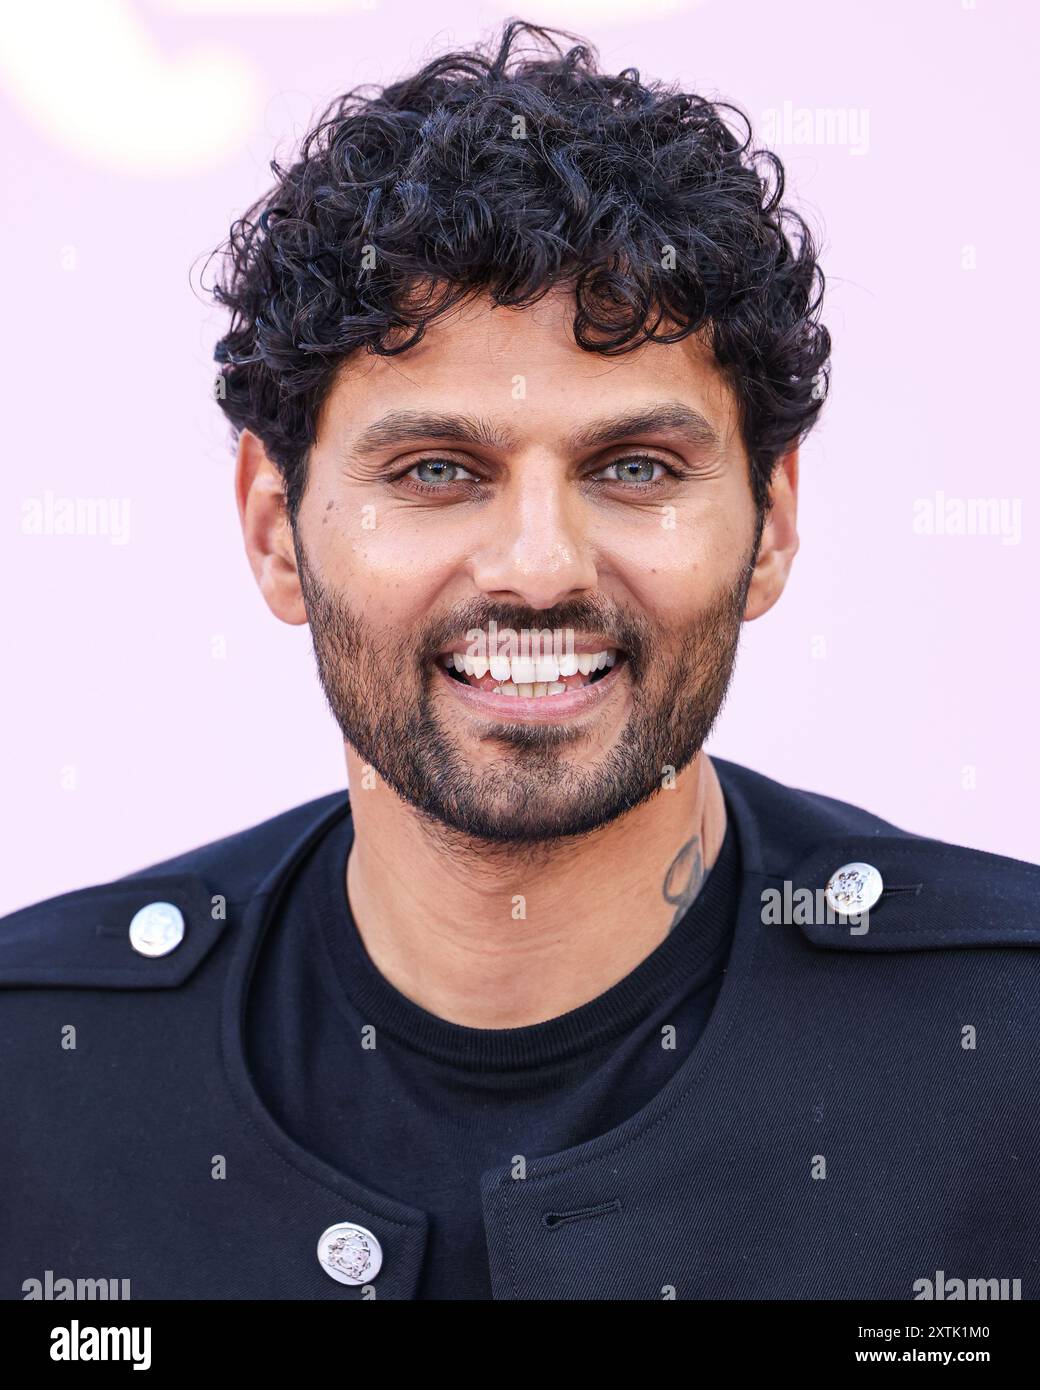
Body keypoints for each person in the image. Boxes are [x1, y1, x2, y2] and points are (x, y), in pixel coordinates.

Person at [3, 19, 1038, 1302]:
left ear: (771, 525)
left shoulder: (1008, 1054)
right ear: (275, 532)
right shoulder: (37, 1076)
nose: (538, 567)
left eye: (633, 469)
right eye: (437, 471)